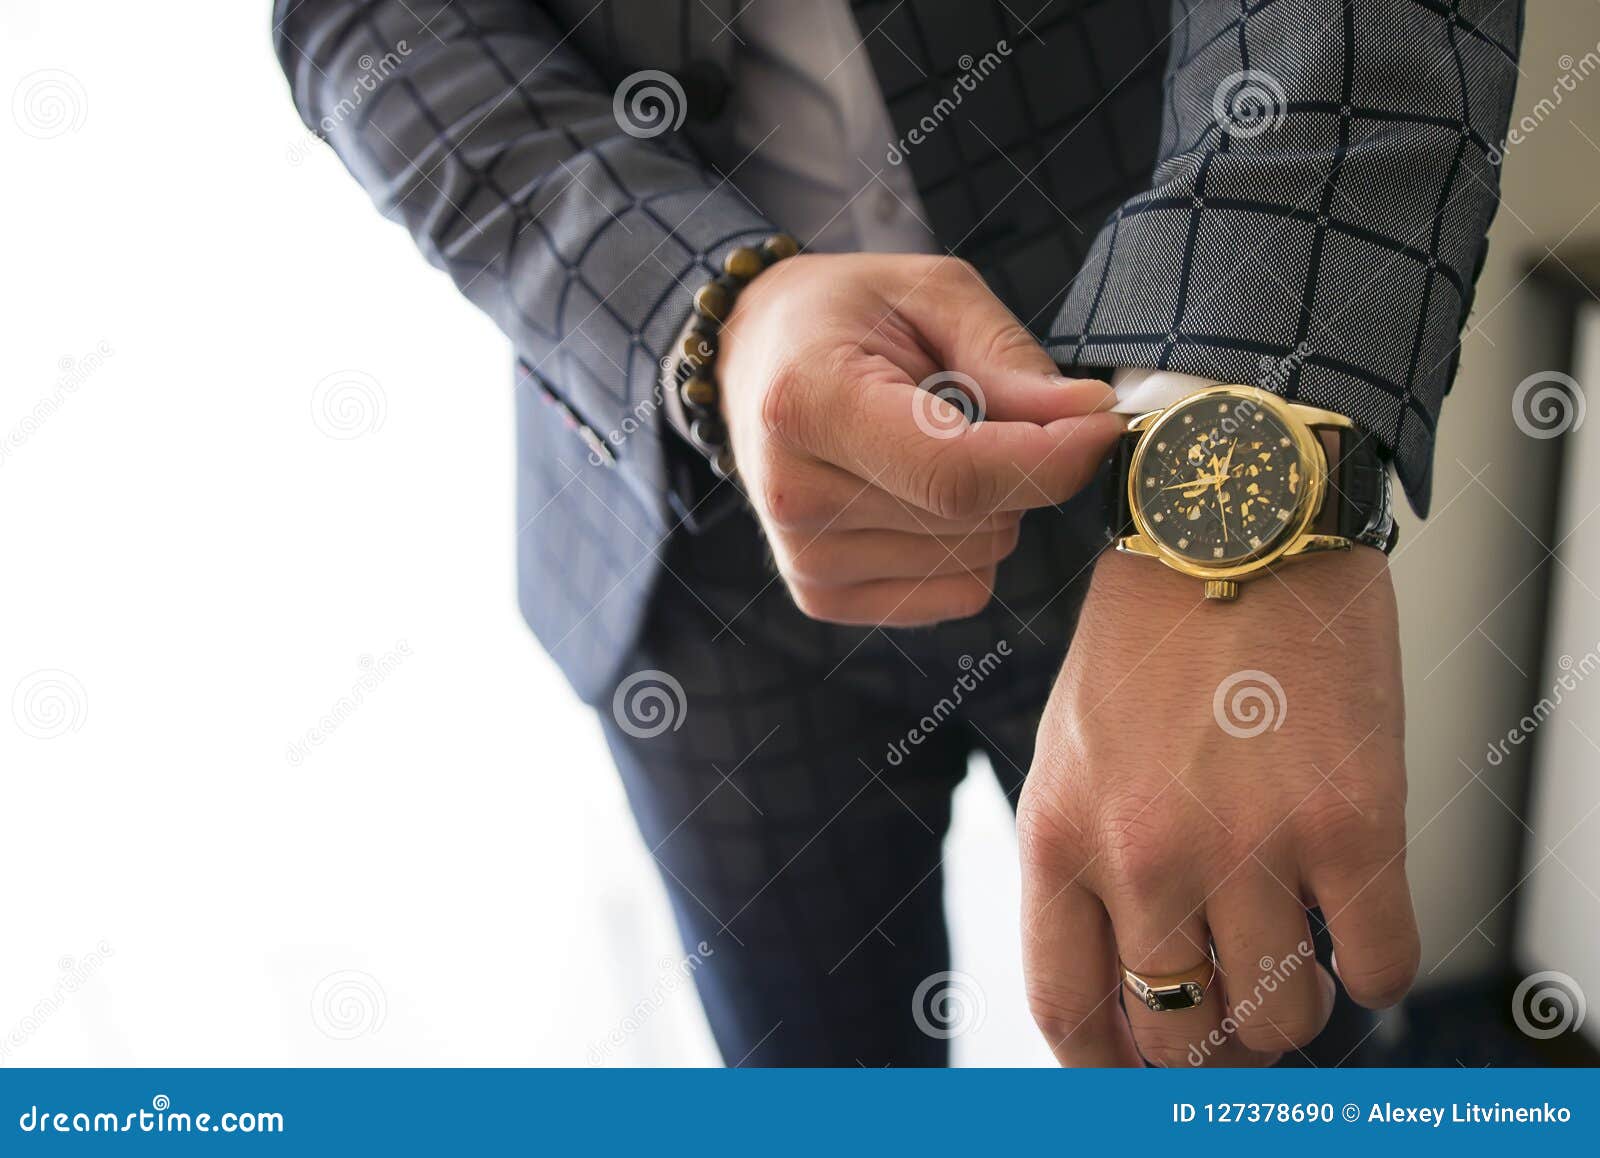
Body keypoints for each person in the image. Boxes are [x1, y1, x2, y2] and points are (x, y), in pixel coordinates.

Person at [273, 0, 1523, 1066]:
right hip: (691, 568)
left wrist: (1235, 414)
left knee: (1265, 1078)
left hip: (1127, 443)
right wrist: (706, 311)